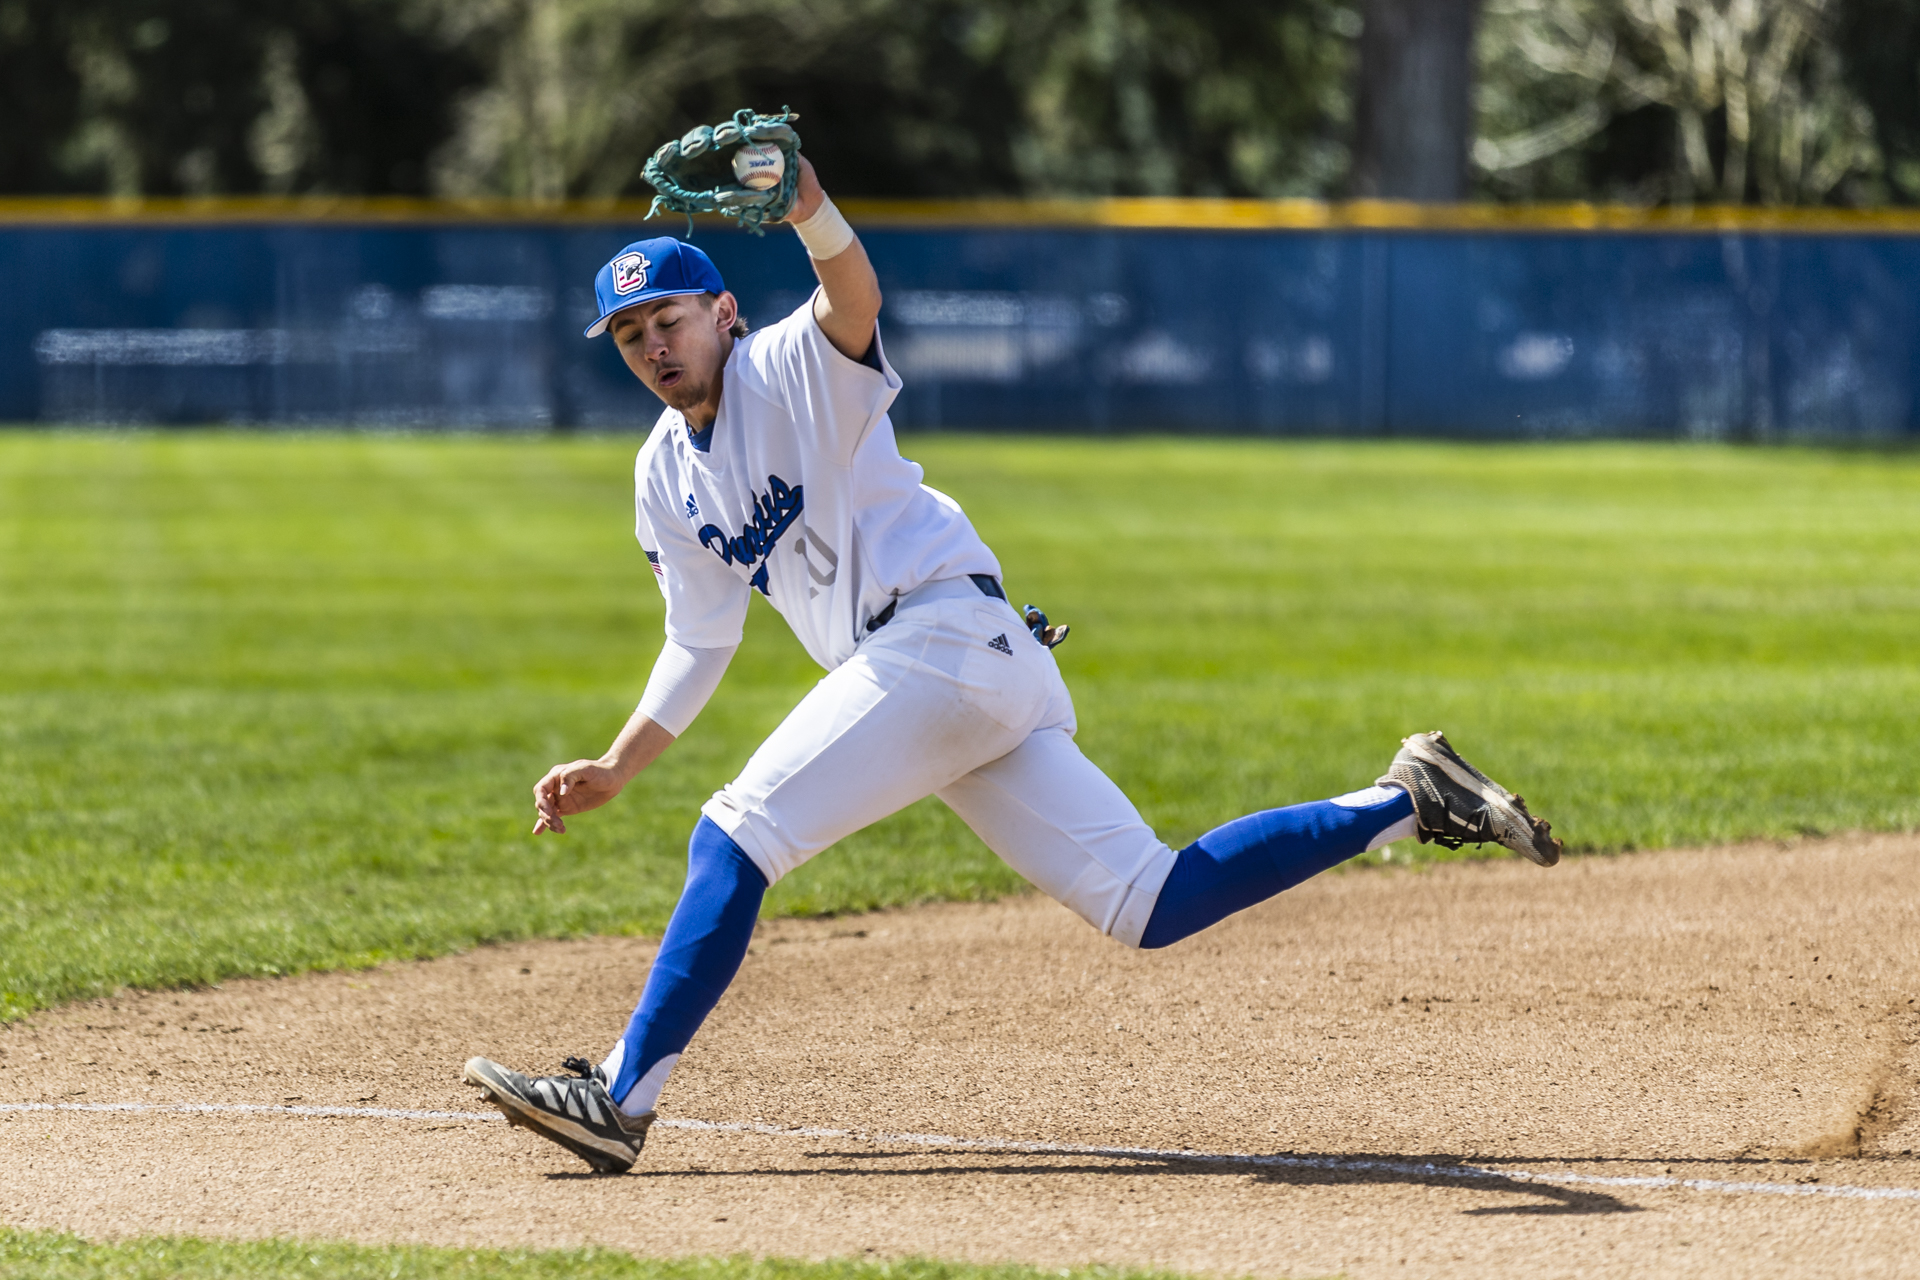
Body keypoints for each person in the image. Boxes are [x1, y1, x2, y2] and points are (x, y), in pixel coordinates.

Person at [463, 154, 1561, 1173]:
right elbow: (700, 637)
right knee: (1148, 899)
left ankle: (621, 1098)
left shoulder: (788, 366)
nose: (654, 345)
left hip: (937, 638)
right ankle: (1408, 797)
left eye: (669, 318)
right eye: (629, 334)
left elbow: (855, 299)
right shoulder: (663, 472)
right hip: (953, 669)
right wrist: (617, 764)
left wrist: (807, 204)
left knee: (736, 833)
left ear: (723, 312)